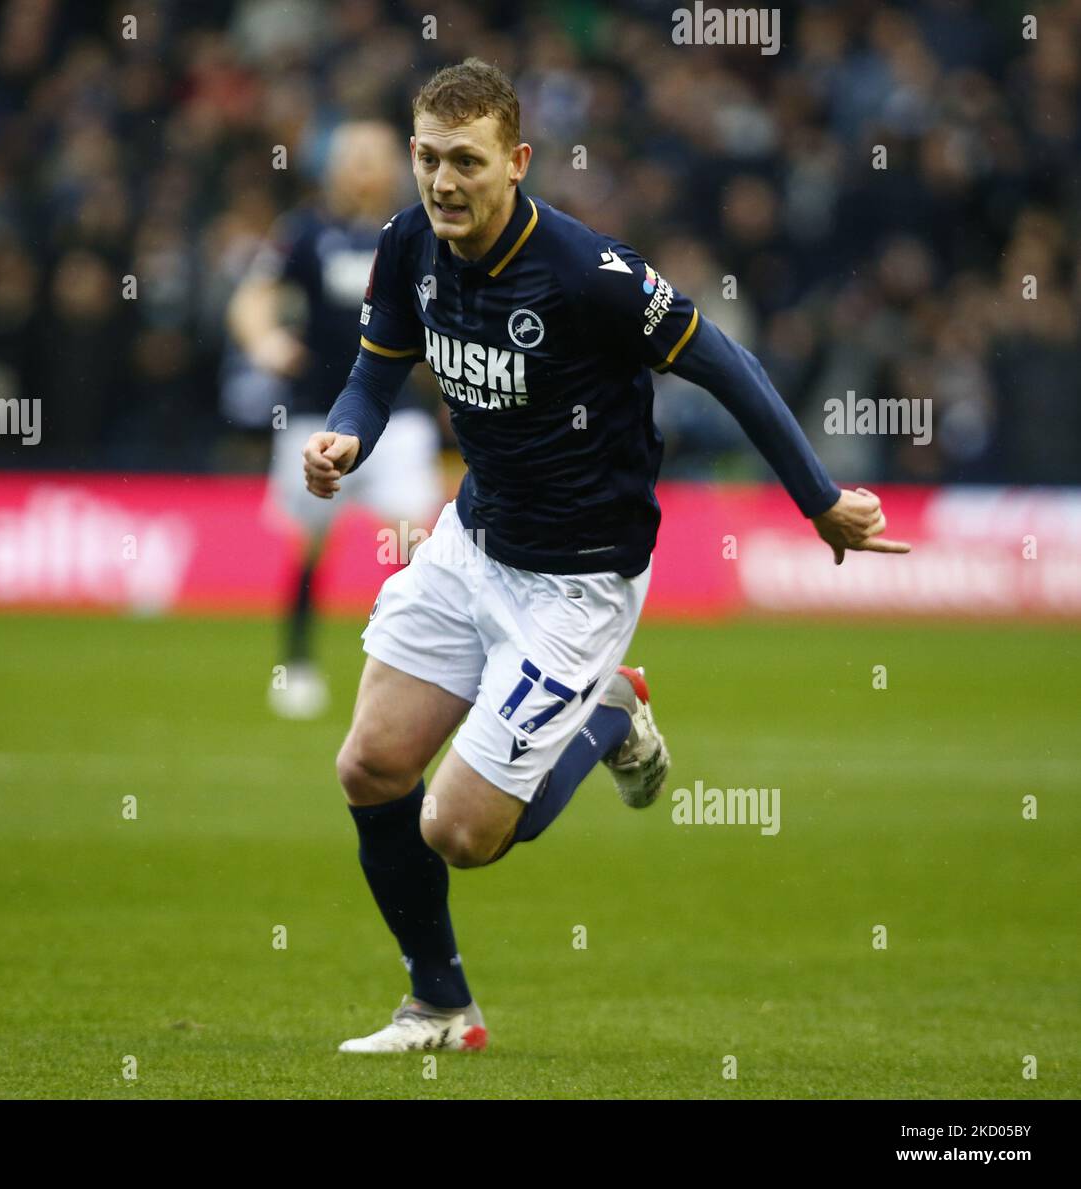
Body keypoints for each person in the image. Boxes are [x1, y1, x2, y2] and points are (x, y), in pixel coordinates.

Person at [303, 60, 910, 1053]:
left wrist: (818, 500)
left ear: (517, 162)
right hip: (471, 542)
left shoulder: (587, 275)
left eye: (465, 161)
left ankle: (609, 710)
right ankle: (440, 1007)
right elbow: (372, 378)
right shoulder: (410, 240)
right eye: (426, 158)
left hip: (577, 580)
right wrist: (343, 438)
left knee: (459, 834)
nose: (441, 182)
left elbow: (727, 363)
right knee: (369, 764)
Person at [228, 120, 441, 718]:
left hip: (397, 416)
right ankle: (296, 663)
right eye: (352, 157)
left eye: (373, 157)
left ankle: (412, 666)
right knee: (313, 542)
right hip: (315, 411)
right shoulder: (305, 233)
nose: (362, 169)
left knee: (411, 541)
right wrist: (263, 340)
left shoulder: (416, 232)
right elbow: (253, 296)